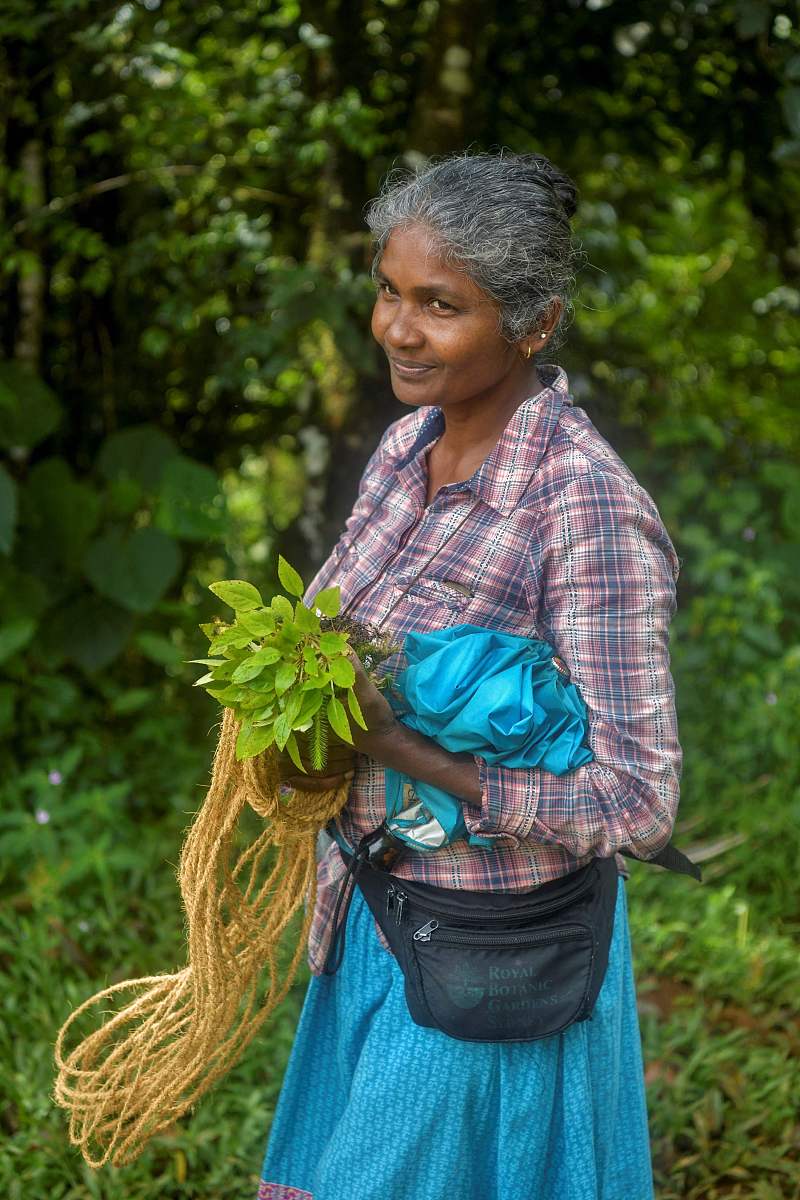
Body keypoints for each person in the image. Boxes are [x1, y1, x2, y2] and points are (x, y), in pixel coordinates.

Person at [257, 149, 682, 1200]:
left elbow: (636, 804)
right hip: (376, 919)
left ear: (531, 325)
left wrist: (398, 749)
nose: (397, 329)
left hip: (494, 959)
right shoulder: (405, 454)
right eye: (388, 292)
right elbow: (326, 643)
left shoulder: (581, 504)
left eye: (439, 305)